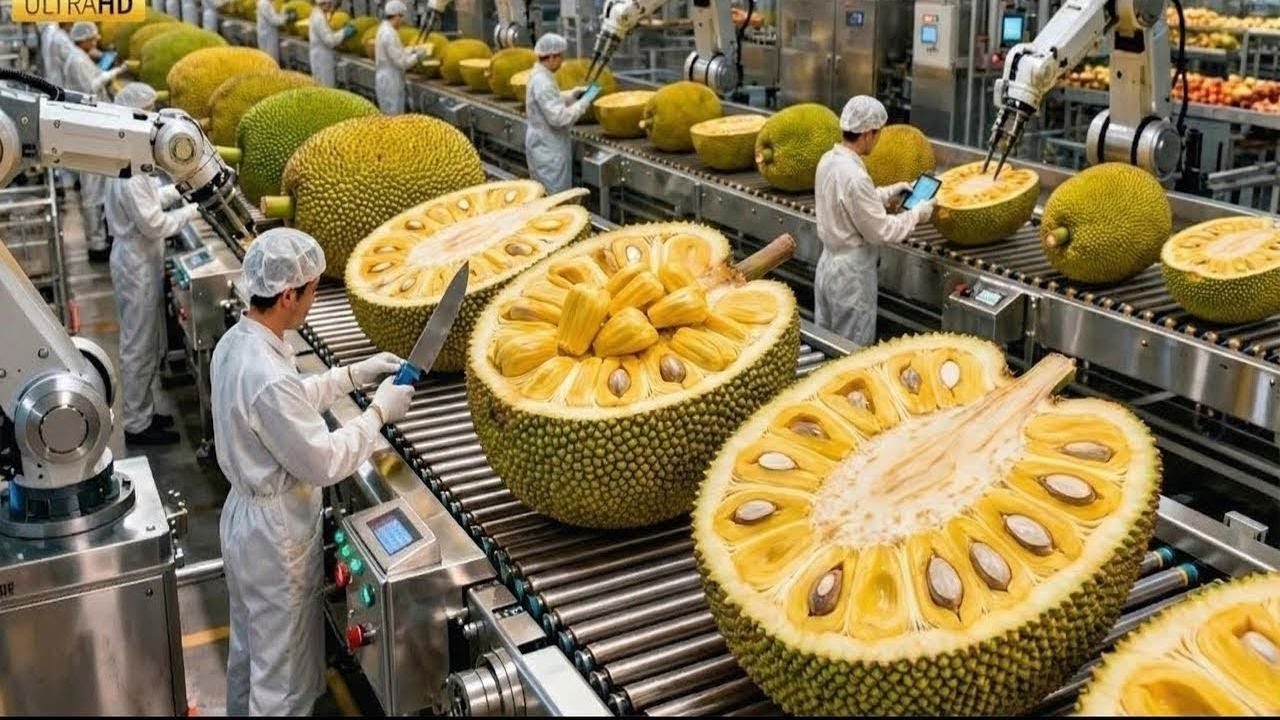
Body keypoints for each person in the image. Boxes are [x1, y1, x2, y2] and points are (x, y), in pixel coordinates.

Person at [214, 228, 415, 716]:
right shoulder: (264, 374)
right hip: (274, 536)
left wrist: (350, 376)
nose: (313, 300)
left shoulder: (240, 343)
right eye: (310, 290)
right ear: (287, 295)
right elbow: (324, 460)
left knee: (252, 653)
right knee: (281, 682)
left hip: (246, 519)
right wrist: (378, 414)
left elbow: (287, 405)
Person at [105, 83, 201, 446]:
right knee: (138, 345)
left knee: (147, 341)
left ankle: (142, 412)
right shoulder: (129, 169)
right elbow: (154, 223)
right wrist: (192, 211)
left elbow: (151, 198)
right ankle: (136, 423)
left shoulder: (130, 158)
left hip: (140, 258)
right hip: (135, 262)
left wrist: (177, 191)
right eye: (148, 110)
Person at [812, 95, 935, 347]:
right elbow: (881, 231)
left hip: (827, 266)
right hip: (851, 278)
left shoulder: (829, 160)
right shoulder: (856, 176)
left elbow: (849, 202)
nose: (878, 140)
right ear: (867, 133)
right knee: (850, 351)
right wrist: (916, 214)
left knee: (824, 343)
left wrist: (891, 191)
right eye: (877, 133)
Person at [63, 22, 127, 264]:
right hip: (84, 128)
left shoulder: (79, 56)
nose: (96, 41)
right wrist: (116, 72)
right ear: (85, 39)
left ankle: (99, 238)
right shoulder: (78, 60)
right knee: (92, 190)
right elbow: (92, 86)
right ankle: (96, 244)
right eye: (93, 38)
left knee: (95, 187)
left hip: (87, 123)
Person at [524, 32, 597, 193]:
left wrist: (572, 94)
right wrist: (584, 102)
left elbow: (549, 101)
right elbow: (560, 118)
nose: (562, 61)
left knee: (545, 194)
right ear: (550, 57)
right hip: (548, 150)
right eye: (560, 57)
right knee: (555, 197)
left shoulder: (541, 75)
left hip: (543, 144)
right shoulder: (543, 82)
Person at [374, 1, 427, 114]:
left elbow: (397, 52)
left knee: (392, 118)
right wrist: (417, 57)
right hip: (390, 81)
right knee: (394, 119)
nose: (403, 21)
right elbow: (401, 62)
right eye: (402, 17)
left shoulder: (385, 29)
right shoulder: (389, 34)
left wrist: (412, 50)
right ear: (397, 16)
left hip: (388, 78)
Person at [309, 0, 354, 88]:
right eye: (329, 4)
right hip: (322, 58)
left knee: (321, 87)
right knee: (326, 86)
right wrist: (344, 33)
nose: (330, 6)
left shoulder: (317, 13)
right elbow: (329, 40)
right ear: (323, 3)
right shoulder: (319, 18)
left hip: (319, 55)